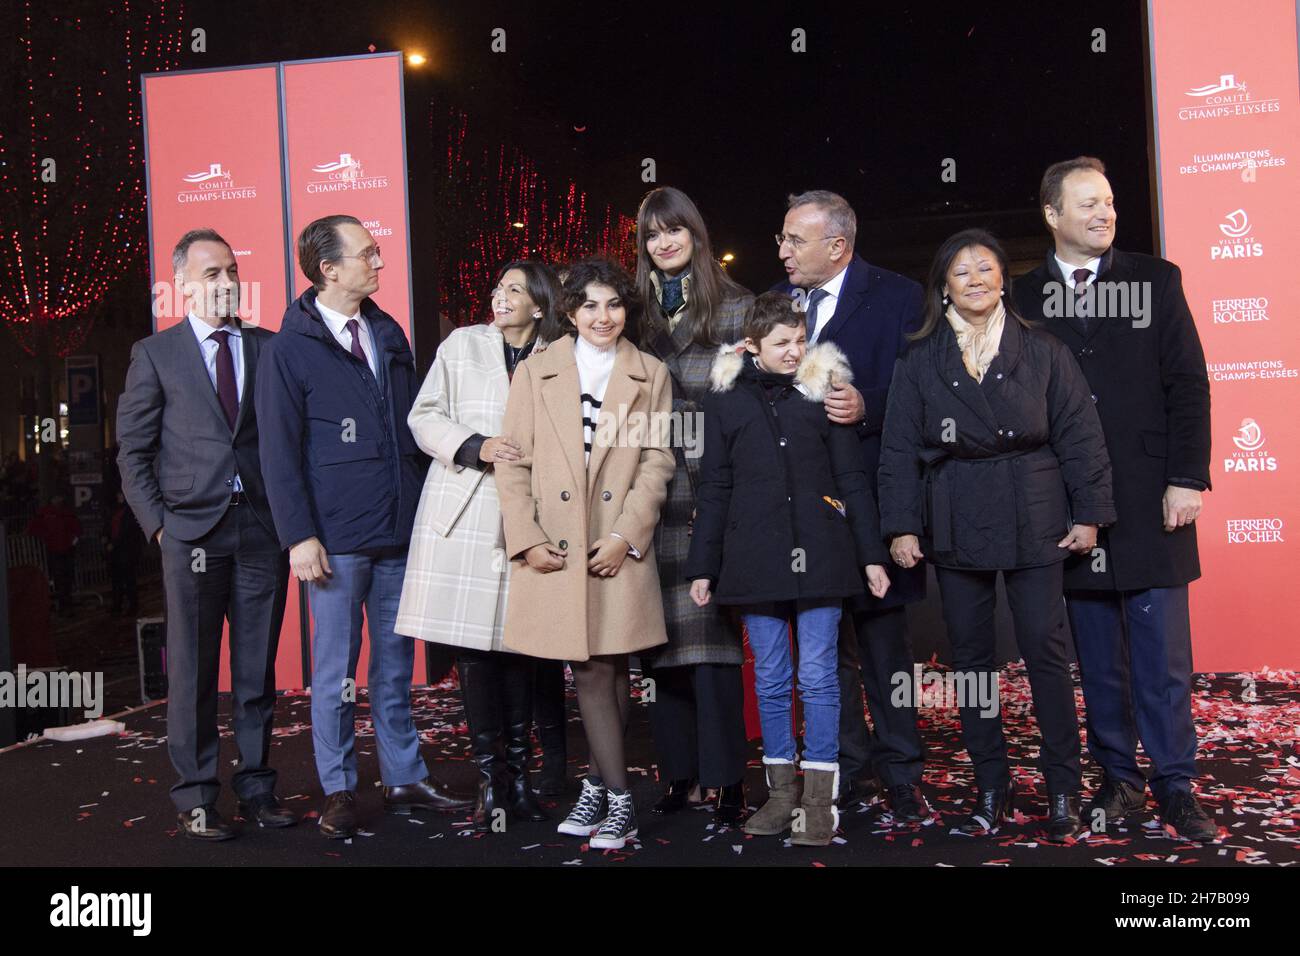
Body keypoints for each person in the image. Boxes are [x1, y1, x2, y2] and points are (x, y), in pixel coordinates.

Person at [878, 228, 1116, 841]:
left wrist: (1088, 514)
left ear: (1004, 278)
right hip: (956, 515)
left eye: (987, 268)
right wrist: (901, 525)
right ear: (944, 285)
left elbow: (1081, 435)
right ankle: (992, 787)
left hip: (1037, 511)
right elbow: (899, 446)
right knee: (973, 664)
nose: (977, 278)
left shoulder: (1043, 349)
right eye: (963, 271)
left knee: (1045, 653)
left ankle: (1063, 788)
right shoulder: (919, 357)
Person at [1013, 157, 1217, 842]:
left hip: (1153, 496)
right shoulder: (1023, 296)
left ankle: (1175, 782)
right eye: (1088, 204)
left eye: (1110, 202)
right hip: (1072, 509)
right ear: (1051, 215)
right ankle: (1118, 778)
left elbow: (1188, 383)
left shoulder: (1157, 280)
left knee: (1161, 655)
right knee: (1096, 656)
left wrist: (1187, 477)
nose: (1105, 214)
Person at [256, 214, 472, 840]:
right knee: (335, 673)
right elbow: (278, 451)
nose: (379, 263)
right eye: (368, 254)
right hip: (333, 540)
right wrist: (299, 536)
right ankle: (339, 787)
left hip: (397, 531)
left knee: (396, 664)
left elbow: (412, 426)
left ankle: (403, 773)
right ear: (329, 268)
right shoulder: (288, 348)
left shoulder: (387, 330)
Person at [686, 292, 891, 846]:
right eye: (782, 344)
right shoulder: (724, 401)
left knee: (819, 677)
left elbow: (851, 478)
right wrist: (704, 567)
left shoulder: (823, 390)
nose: (795, 351)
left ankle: (819, 801)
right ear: (751, 346)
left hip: (823, 555)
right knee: (773, 679)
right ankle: (780, 795)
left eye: (801, 341)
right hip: (753, 559)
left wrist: (871, 554)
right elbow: (717, 485)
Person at [116, 228, 293, 840]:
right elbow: (132, 453)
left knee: (256, 672)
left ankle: (258, 791)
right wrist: (160, 527)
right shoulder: (155, 354)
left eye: (231, 272)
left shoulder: (271, 348)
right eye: (211, 274)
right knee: (191, 672)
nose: (224, 284)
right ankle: (195, 796)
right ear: (182, 286)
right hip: (190, 535)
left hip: (261, 530)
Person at [495, 257, 676, 851]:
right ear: (569, 312)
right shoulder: (536, 371)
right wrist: (526, 538)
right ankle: (608, 791)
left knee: (609, 668)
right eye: (591, 305)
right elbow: (512, 461)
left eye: (615, 304)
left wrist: (626, 535)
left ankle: (612, 797)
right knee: (596, 670)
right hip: (557, 548)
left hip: (617, 547)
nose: (604, 316)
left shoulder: (650, 373)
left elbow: (656, 462)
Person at [771, 190, 930, 820]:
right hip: (806, 511)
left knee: (886, 647)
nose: (781, 251)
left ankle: (901, 774)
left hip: (877, 506)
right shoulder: (774, 305)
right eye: (782, 239)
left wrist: (871, 409)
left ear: (837, 246)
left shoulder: (899, 298)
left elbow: (925, 393)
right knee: (823, 650)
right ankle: (844, 772)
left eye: (793, 240)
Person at [396, 260, 566, 831]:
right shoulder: (462, 344)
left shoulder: (561, 354)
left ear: (539, 305)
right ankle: (491, 783)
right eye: (497, 287)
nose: (499, 297)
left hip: (532, 513)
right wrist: (475, 445)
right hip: (466, 508)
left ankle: (519, 781)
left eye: (513, 290)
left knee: (521, 645)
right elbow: (423, 417)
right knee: (472, 650)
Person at [633, 187, 754, 824]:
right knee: (659, 646)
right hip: (646, 488)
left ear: (697, 234)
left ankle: (727, 779)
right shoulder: (627, 313)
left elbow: (747, 404)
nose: (664, 243)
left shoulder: (738, 307)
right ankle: (679, 775)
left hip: (714, 487)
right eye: (653, 235)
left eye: (674, 230)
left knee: (714, 646)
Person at [26, 494, 82, 614]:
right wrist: (45, 537)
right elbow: (33, 527)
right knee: (60, 577)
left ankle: (66, 603)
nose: (58, 500)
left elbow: (77, 528)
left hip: (65, 549)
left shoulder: (64, 512)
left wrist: (73, 540)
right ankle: (64, 605)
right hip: (56, 550)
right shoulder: (47, 513)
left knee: (66, 577)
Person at [106, 488, 143, 617]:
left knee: (129, 580)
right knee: (117, 580)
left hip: (127, 551)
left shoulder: (131, 512)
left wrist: (114, 543)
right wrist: (106, 539)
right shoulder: (114, 510)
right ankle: (117, 604)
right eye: (119, 494)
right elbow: (109, 526)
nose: (119, 497)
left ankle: (132, 605)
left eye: (122, 494)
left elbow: (128, 532)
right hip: (117, 552)